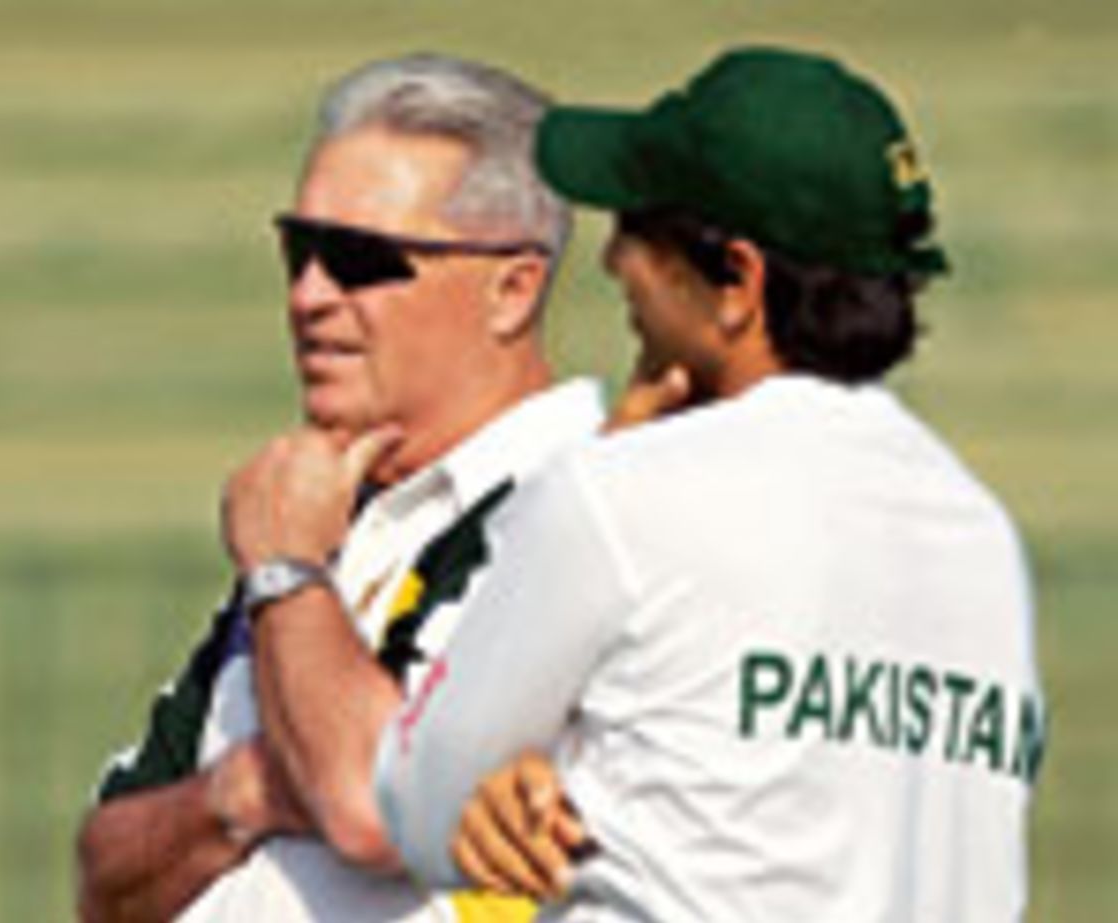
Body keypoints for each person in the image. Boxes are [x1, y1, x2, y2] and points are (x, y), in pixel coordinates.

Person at [360, 46, 1044, 919]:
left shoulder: (619, 495)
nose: (611, 263)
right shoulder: (982, 535)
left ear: (738, 282)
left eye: (640, 228)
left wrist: (605, 459)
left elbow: (418, 801)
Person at [75, 54, 605, 922]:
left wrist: (284, 569)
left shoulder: (582, 510)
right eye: (301, 249)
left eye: (360, 259)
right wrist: (241, 791)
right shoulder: (331, 513)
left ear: (512, 288)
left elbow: (373, 804)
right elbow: (107, 874)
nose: (308, 297)